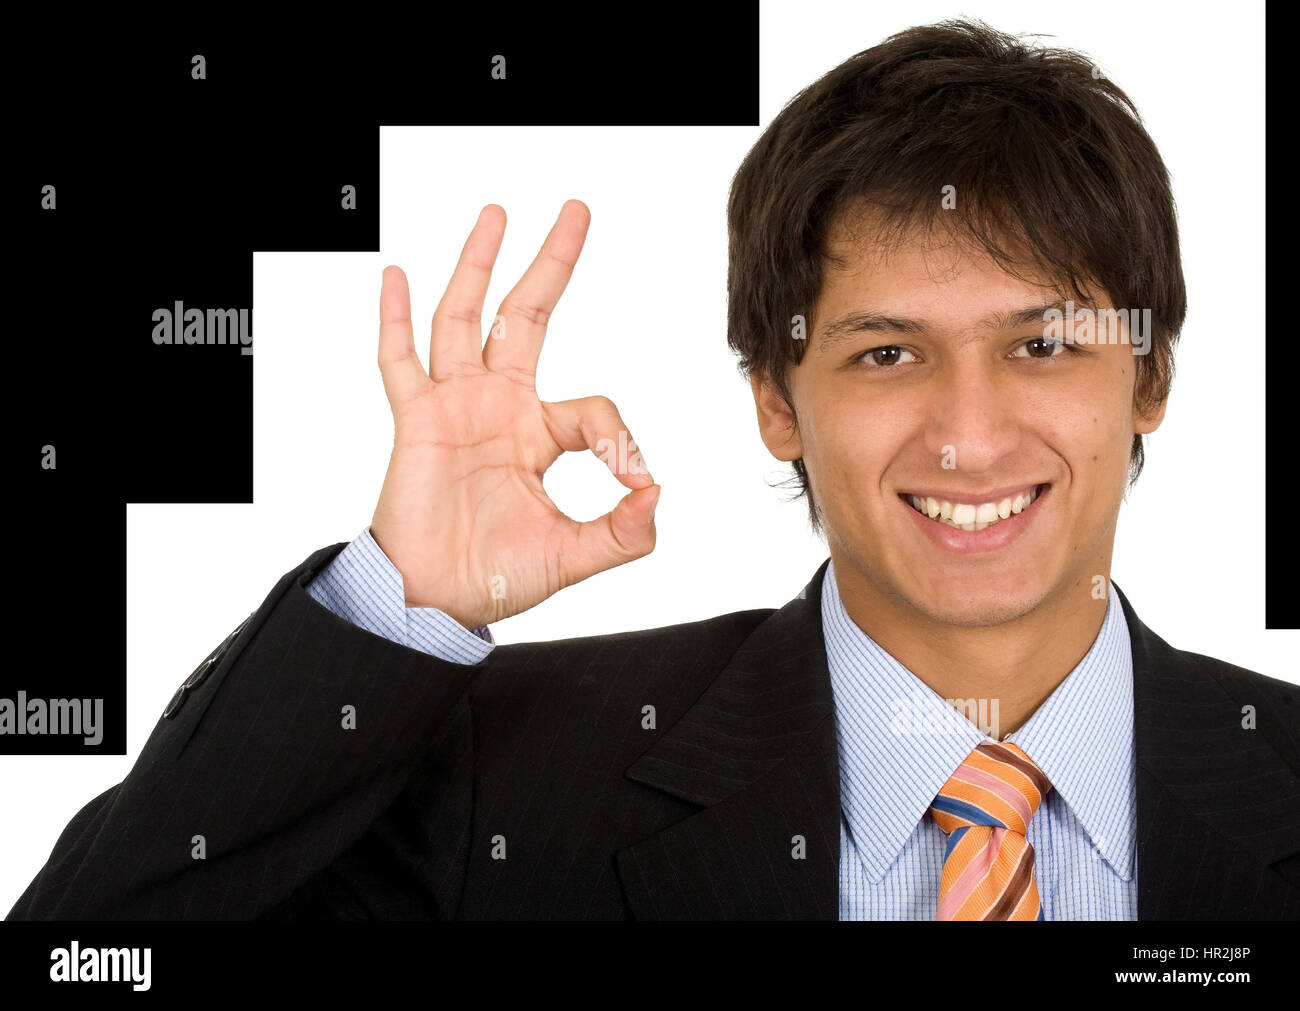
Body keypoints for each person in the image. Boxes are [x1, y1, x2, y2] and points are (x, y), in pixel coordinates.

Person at [8, 19, 1297, 921]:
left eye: (1041, 344)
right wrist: (399, 603)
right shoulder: (502, 780)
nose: (969, 435)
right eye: (888, 352)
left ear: (1150, 380)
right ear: (775, 404)